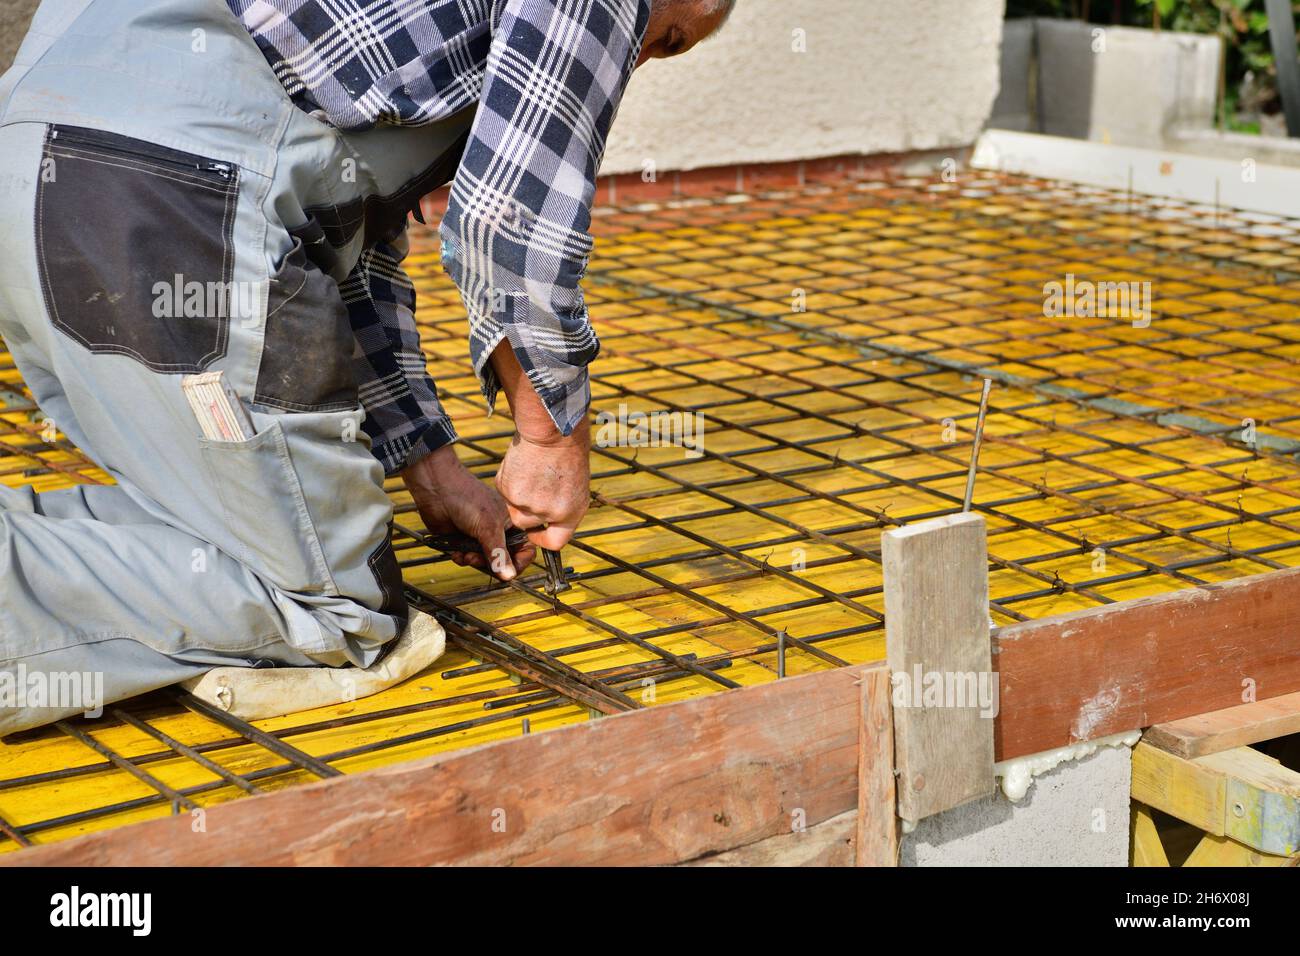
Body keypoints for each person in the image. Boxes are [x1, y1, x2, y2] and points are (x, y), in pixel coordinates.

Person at [0, 0, 735, 734]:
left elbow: (334, 246)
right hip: (172, 201)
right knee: (340, 615)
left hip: (38, 175)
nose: (634, 61)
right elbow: (510, 223)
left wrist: (430, 466)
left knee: (213, 523)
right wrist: (551, 438)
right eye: (663, 39)